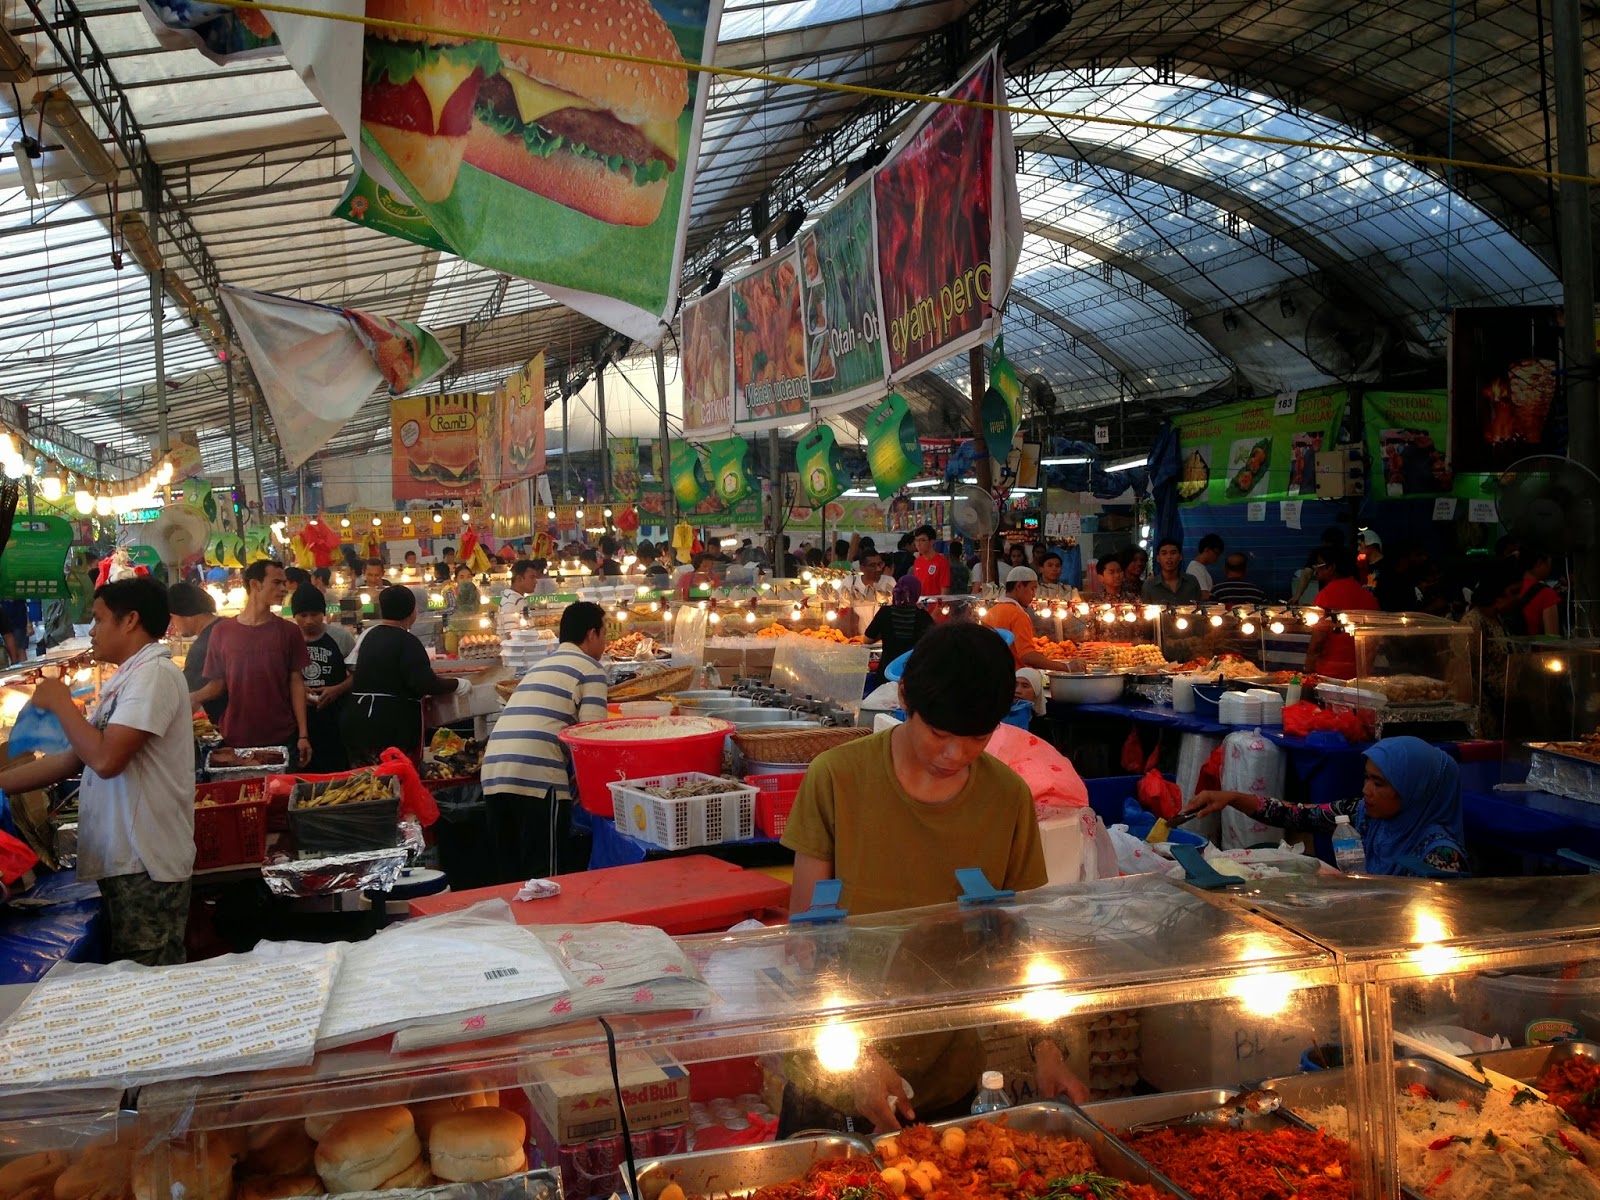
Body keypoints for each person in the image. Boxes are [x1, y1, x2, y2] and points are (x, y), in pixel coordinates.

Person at [780, 623, 1083, 1133]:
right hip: (833, 1079)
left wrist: (1047, 1048)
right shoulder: (836, 777)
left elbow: (1022, 946)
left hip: (947, 1082)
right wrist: (855, 1059)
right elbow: (808, 950)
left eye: (977, 739)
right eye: (939, 734)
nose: (953, 755)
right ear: (904, 698)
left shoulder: (1008, 798)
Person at [8, 578, 194, 963]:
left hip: (146, 862)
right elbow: (74, 758)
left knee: (147, 978)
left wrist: (62, 702)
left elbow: (106, 760)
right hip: (126, 860)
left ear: (130, 621)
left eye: (98, 619)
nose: (92, 631)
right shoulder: (129, 678)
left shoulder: (153, 675)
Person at [1184, 736, 1466, 877]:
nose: (1366, 790)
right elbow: (1297, 815)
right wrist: (1231, 798)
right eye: (1367, 778)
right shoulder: (1364, 813)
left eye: (1379, 783)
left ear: (1415, 789)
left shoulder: (1441, 855)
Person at [481, 601, 609, 883]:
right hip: (537, 777)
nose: (606, 642)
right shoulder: (590, 669)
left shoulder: (539, 666)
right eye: (605, 633)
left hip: (493, 774)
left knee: (509, 878)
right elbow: (591, 735)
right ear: (592, 634)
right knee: (544, 880)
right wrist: (590, 787)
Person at [196, 559, 311, 766]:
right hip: (236, 736)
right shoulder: (222, 632)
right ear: (255, 584)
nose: (283, 589)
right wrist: (189, 698)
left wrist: (303, 735)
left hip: (282, 735)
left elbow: (296, 682)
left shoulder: (289, 632)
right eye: (276, 583)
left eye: (284, 583)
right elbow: (218, 684)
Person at [342, 585, 465, 764]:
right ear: (412, 611)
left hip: (358, 720)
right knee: (392, 775)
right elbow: (425, 683)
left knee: (366, 776)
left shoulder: (369, 636)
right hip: (388, 726)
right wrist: (458, 684)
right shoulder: (408, 642)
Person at [291, 586, 352, 773]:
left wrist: (338, 689)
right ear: (294, 615)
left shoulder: (341, 637)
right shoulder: (288, 639)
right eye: (303, 615)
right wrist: (299, 692)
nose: (309, 621)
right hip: (298, 723)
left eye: (314, 614)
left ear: (323, 613)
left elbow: (358, 674)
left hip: (336, 720)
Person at [1460, 561, 1523, 738]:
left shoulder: (1498, 618)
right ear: (1496, 593)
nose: (1517, 598)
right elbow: (1464, 673)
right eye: (1513, 592)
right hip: (1485, 714)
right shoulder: (1473, 622)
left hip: (1503, 709)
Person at [984, 567, 1080, 671]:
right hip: (1015, 676)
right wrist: (1066, 667)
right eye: (1032, 589)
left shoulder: (990, 613)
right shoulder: (1018, 615)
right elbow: (1027, 656)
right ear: (1019, 586)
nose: (1034, 595)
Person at [1304, 547, 1379, 679]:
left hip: (1328, 676)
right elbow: (1372, 645)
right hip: (1360, 677)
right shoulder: (1369, 597)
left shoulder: (1326, 596)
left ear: (1332, 567)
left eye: (1319, 565)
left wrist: (1306, 674)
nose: (1316, 569)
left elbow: (1317, 643)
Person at [168, 582, 226, 727]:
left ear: (186, 615)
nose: (173, 625)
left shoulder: (202, 646)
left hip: (224, 726)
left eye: (173, 618)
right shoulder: (226, 626)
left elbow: (189, 696)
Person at [865, 575, 934, 684]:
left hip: (886, 674)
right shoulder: (923, 617)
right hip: (912, 675)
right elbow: (933, 643)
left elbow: (867, 639)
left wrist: (884, 633)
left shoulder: (885, 613)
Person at [1374, 540, 1429, 614]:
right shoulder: (1390, 582)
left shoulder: (1412, 577)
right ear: (1404, 557)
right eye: (1418, 555)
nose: (1424, 558)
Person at [1141, 539, 1202, 605]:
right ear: (1158, 558)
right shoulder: (1149, 586)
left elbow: (1200, 607)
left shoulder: (1192, 582)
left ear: (1180, 556)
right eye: (1164, 553)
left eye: (1173, 553)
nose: (1169, 557)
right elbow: (1145, 609)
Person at [1516, 551, 1562, 636]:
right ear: (1539, 563)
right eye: (1549, 562)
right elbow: (1552, 638)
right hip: (1533, 644)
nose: (1550, 567)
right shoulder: (1546, 593)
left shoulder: (1509, 589)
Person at [496, 559, 541, 638]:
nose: (535, 581)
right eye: (532, 577)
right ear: (519, 579)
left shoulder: (517, 599)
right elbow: (511, 635)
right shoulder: (510, 602)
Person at [910, 525, 950, 598]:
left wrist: (939, 605)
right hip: (920, 603)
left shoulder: (942, 562)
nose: (918, 544)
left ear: (931, 542)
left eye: (922, 540)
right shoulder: (917, 561)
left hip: (935, 604)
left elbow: (944, 591)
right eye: (916, 540)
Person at [1187, 534, 1223, 600]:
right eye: (1216, 553)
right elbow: (1203, 594)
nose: (1217, 557)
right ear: (1207, 549)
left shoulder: (1199, 567)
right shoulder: (1195, 568)